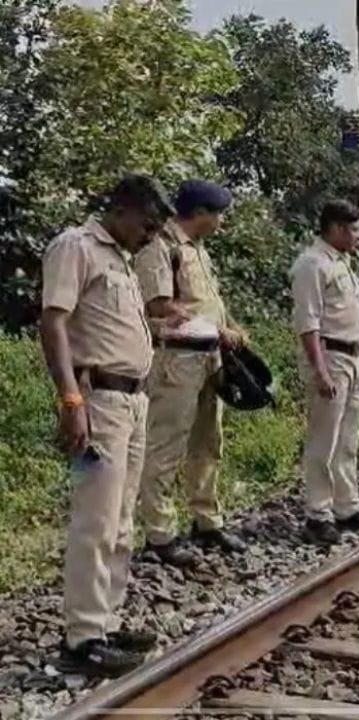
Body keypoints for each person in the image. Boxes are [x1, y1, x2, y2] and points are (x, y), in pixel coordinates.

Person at [40, 175, 174, 675]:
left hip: (133, 402)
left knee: (120, 522)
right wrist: (70, 397)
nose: (152, 234)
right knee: (95, 519)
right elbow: (53, 322)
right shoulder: (77, 247)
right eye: (148, 223)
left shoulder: (122, 260)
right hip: (98, 399)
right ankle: (81, 637)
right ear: (122, 210)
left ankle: (106, 621)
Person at [133, 180, 248, 567]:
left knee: (208, 443)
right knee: (166, 446)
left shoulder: (198, 251)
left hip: (210, 358)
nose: (221, 221)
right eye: (218, 214)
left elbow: (209, 300)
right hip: (177, 360)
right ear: (199, 214)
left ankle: (206, 519)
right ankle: (160, 533)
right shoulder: (160, 249)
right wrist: (218, 330)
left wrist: (230, 325)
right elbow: (161, 306)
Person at [291, 200, 359, 544]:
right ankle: (317, 514)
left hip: (353, 357)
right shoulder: (312, 264)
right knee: (325, 438)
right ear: (335, 229)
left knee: (348, 439)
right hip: (331, 355)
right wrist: (320, 370)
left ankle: (346, 505)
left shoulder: (343, 264)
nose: (358, 236)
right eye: (352, 229)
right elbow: (308, 322)